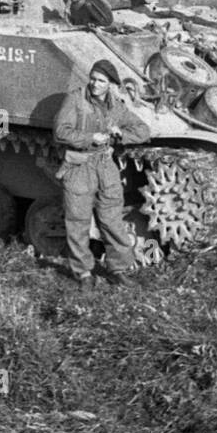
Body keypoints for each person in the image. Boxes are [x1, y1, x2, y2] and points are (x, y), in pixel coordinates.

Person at [51, 59, 150, 284]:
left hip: (105, 166)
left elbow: (143, 130)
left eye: (101, 81)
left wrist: (120, 134)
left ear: (110, 84)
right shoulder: (76, 100)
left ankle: (118, 269)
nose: (95, 84)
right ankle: (83, 273)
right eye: (93, 79)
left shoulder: (116, 106)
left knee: (112, 219)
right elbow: (60, 132)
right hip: (79, 166)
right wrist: (89, 138)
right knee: (78, 221)